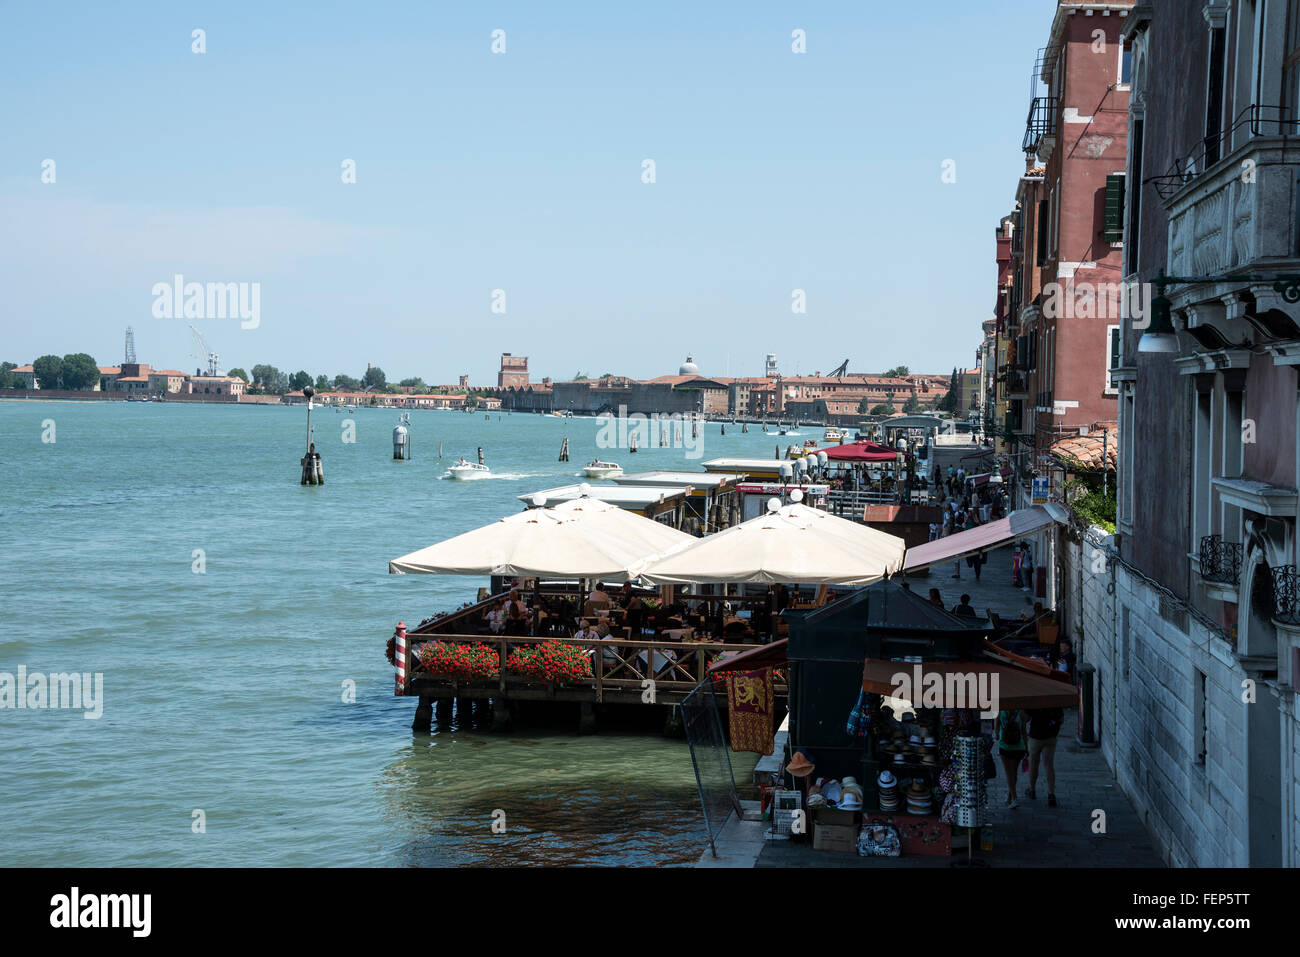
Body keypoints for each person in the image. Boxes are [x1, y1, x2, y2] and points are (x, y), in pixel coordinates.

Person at [1024, 706, 1064, 807]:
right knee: (1049, 765)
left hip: (1035, 736)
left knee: (1033, 764)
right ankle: (1051, 794)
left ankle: (1032, 790)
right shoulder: (1054, 699)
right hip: (1050, 736)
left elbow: (1026, 718)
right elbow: (1061, 719)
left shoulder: (1035, 699)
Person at [995, 708, 1028, 808]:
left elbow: (996, 730)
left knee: (1009, 774)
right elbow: (1024, 731)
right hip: (1019, 747)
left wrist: (999, 734)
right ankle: (1010, 795)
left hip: (1005, 747)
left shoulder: (1001, 712)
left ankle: (1014, 798)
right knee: (1013, 773)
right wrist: (1026, 747)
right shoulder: (1021, 712)